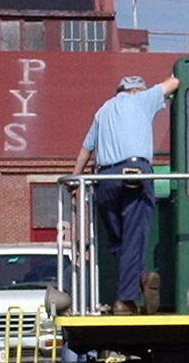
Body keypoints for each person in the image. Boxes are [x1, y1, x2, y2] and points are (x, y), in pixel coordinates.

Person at [72, 73, 179, 315]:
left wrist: (75, 181)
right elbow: (175, 82)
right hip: (135, 174)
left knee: (118, 241)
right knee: (134, 236)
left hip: (105, 179)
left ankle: (140, 277)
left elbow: (85, 149)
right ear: (137, 90)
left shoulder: (103, 110)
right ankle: (125, 300)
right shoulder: (143, 99)